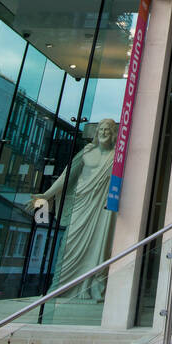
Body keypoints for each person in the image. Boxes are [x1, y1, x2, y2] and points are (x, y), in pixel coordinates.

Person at [26, 119, 118, 301]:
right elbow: (66, 176)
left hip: (100, 207)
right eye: (101, 129)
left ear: (113, 133)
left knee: (98, 246)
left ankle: (90, 287)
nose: (104, 132)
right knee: (68, 247)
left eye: (108, 130)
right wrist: (47, 194)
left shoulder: (117, 156)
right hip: (81, 204)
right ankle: (59, 288)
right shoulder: (86, 152)